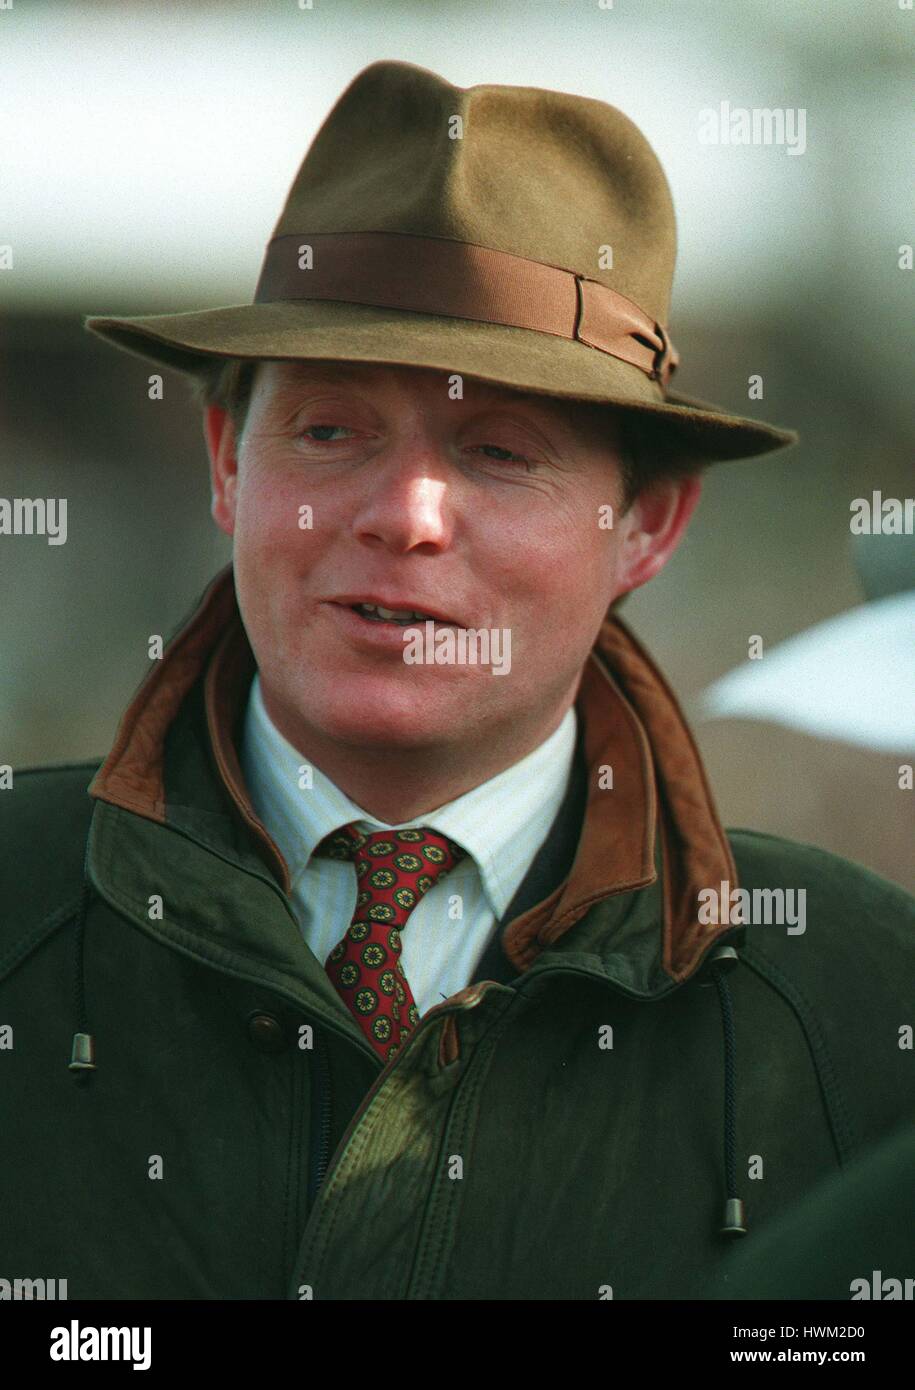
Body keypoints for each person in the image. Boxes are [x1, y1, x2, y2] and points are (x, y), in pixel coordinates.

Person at [2, 60, 912, 1301]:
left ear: (647, 524)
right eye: (331, 431)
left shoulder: (861, 1008)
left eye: (498, 452)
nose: (408, 514)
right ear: (229, 461)